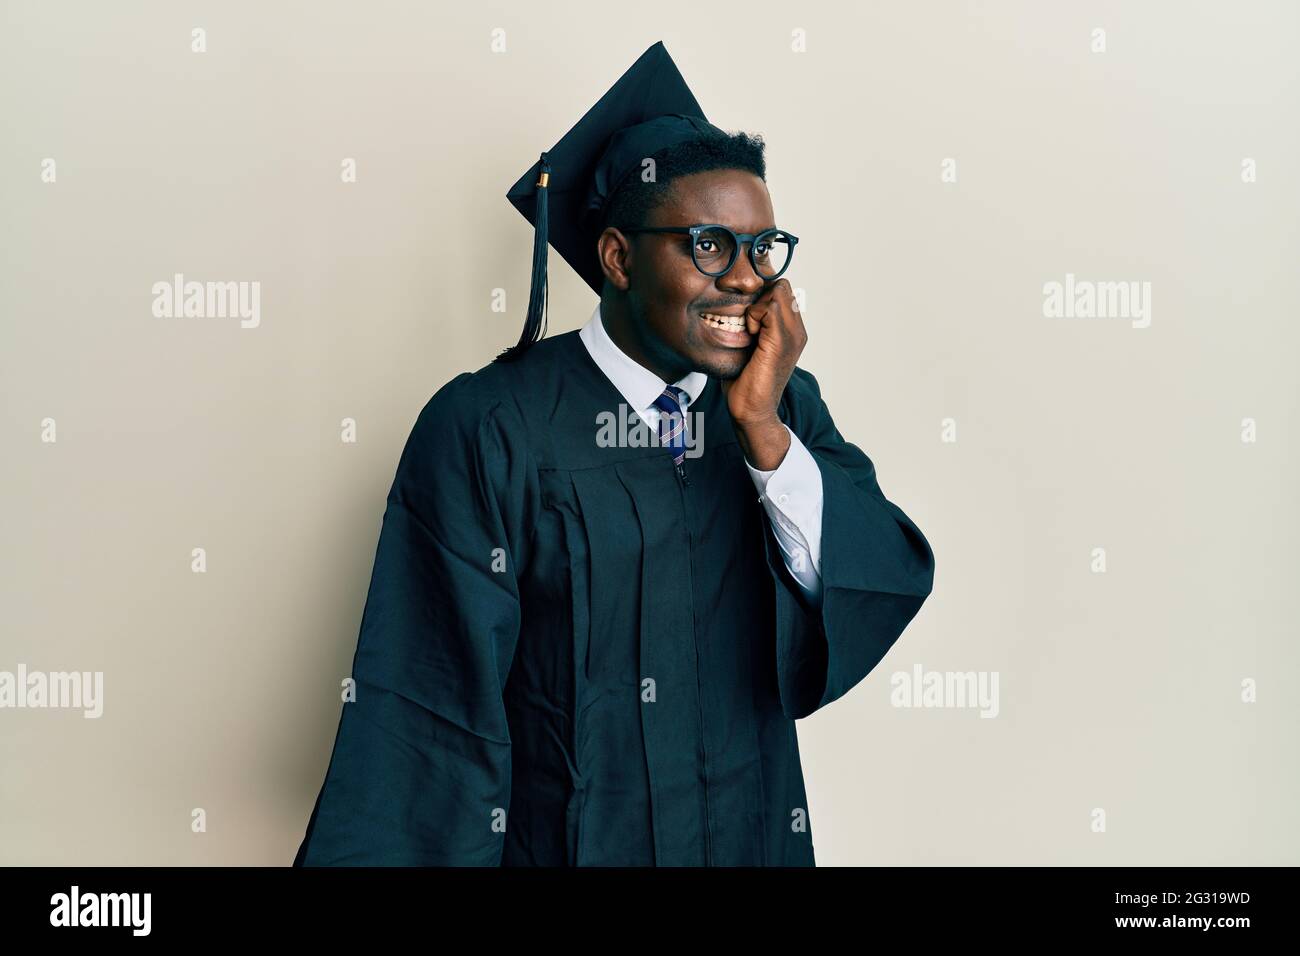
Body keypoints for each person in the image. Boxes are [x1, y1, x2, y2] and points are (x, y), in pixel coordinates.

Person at [292, 40, 935, 867]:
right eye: (710, 244)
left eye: (762, 248)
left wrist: (764, 432)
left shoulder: (780, 405)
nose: (747, 279)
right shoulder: (492, 426)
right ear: (619, 258)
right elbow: (431, 715)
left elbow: (870, 580)